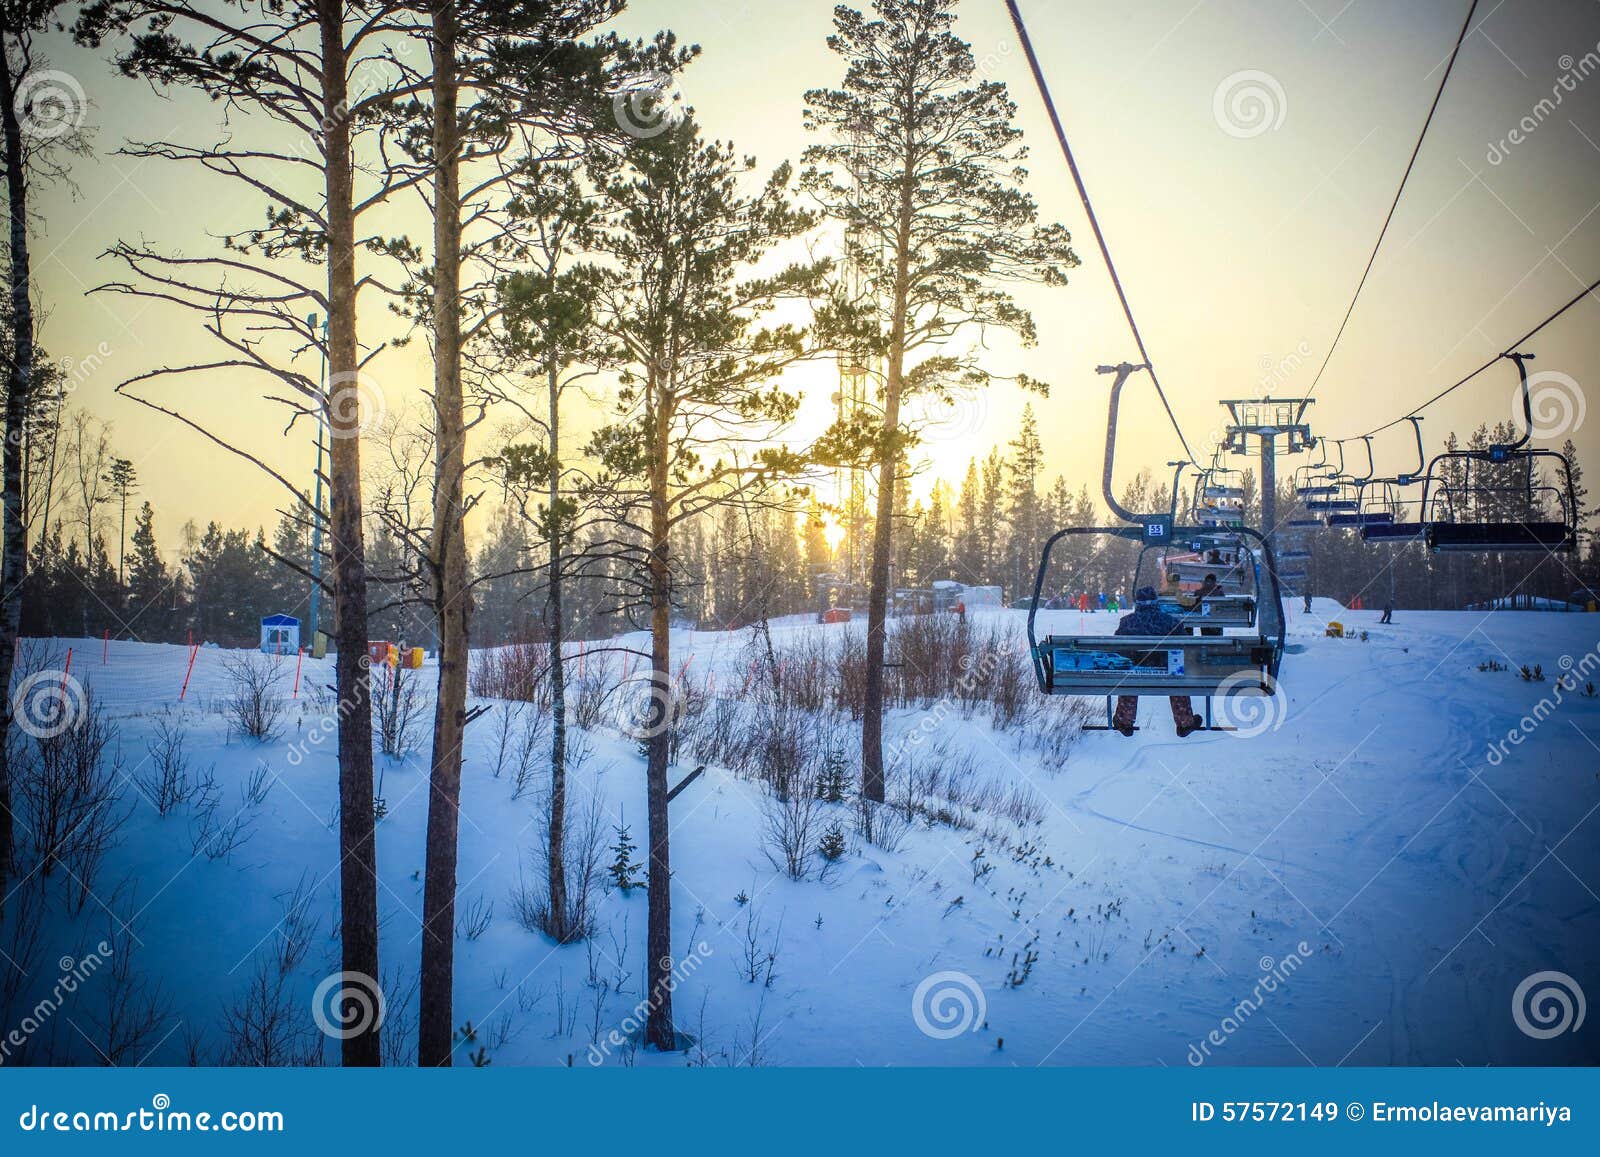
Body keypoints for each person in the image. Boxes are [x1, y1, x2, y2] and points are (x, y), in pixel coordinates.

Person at [1109, 586, 1202, 738]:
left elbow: (1117, 649)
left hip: (1136, 673)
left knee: (1129, 676)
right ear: (1156, 602)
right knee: (1176, 673)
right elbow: (1187, 647)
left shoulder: (1127, 623)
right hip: (1166, 673)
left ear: (1137, 603)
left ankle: (1124, 721)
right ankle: (1185, 722)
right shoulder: (1170, 622)